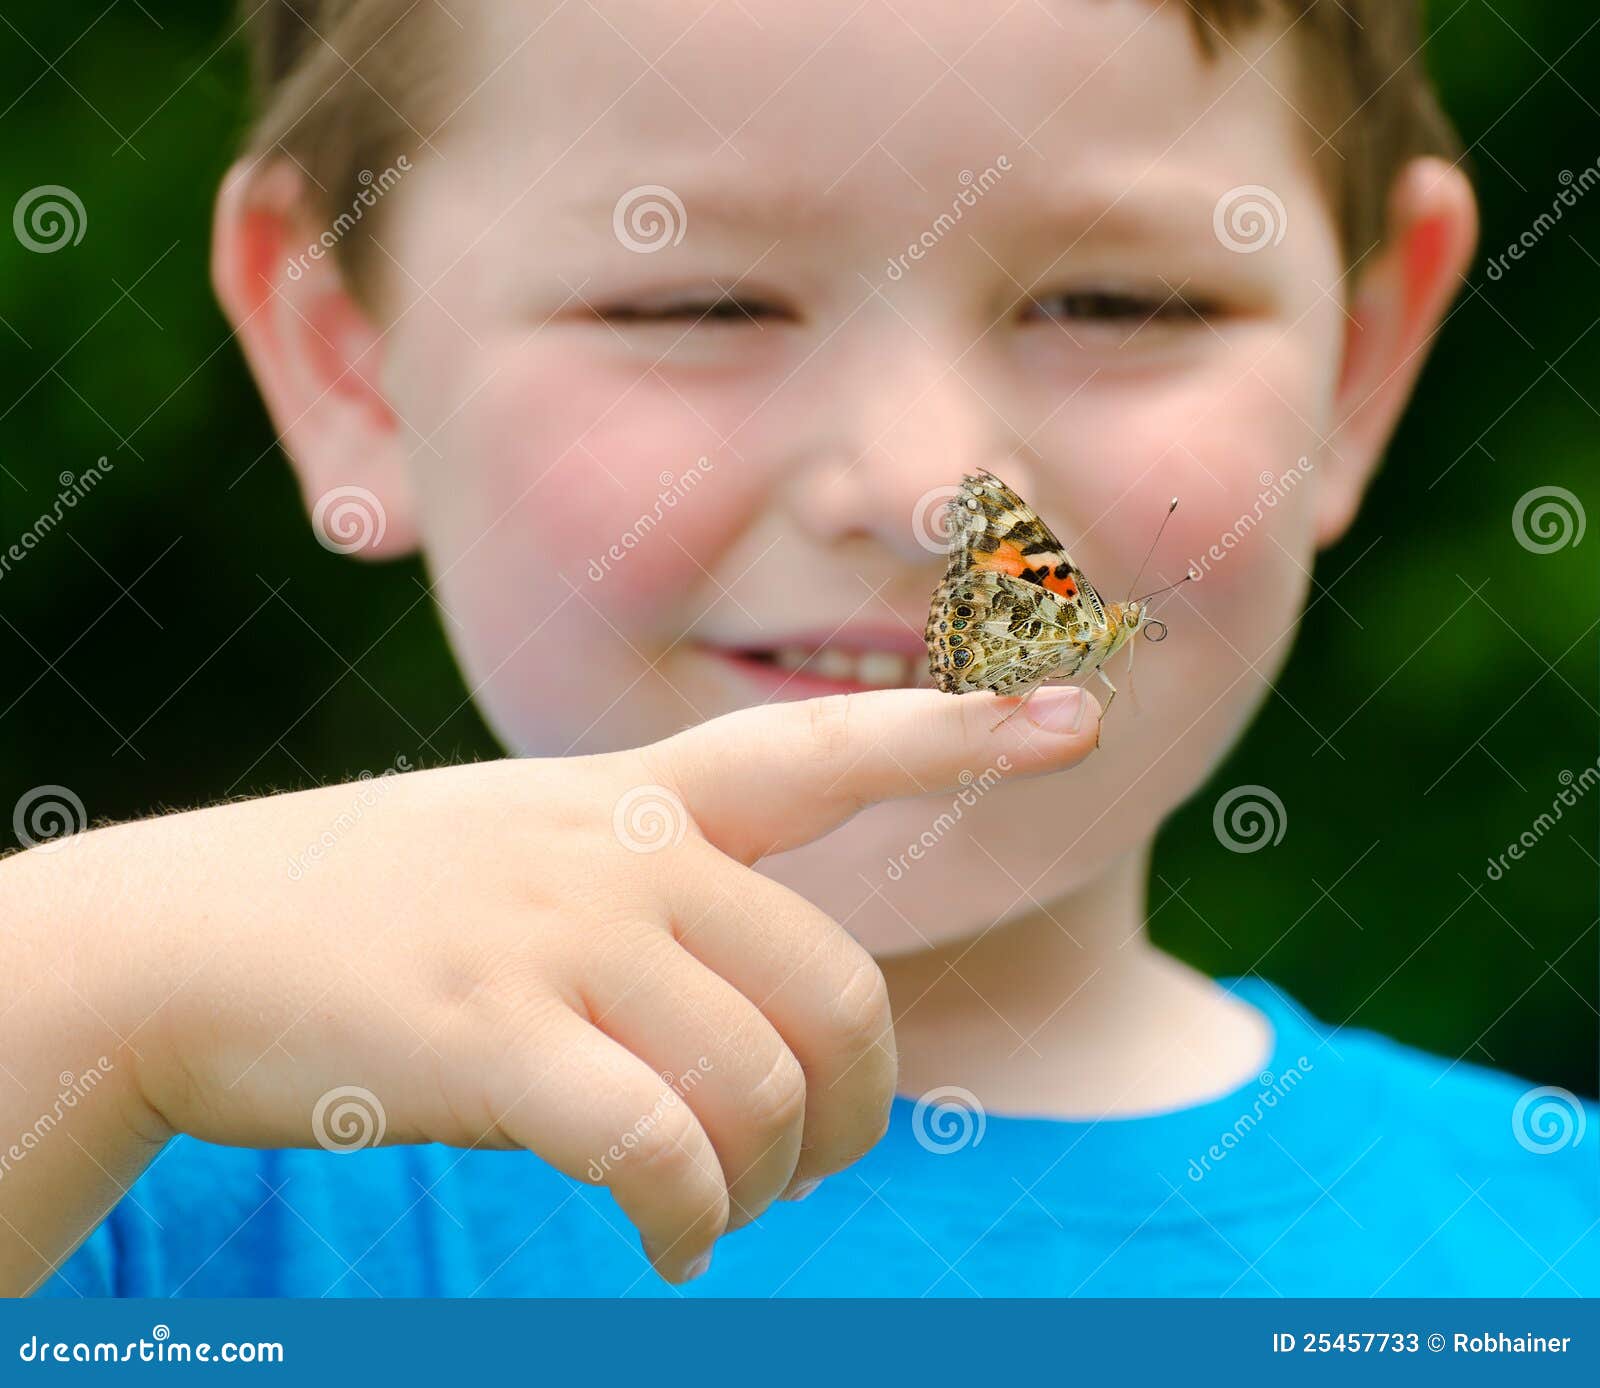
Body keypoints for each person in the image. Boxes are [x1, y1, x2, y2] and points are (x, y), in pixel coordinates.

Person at [9, 0, 1594, 1297]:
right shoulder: (132, 1173)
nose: (922, 489)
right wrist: (93, 969)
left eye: (1119, 299)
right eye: (697, 303)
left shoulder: (1537, 1259)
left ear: (1366, 357)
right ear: (342, 357)